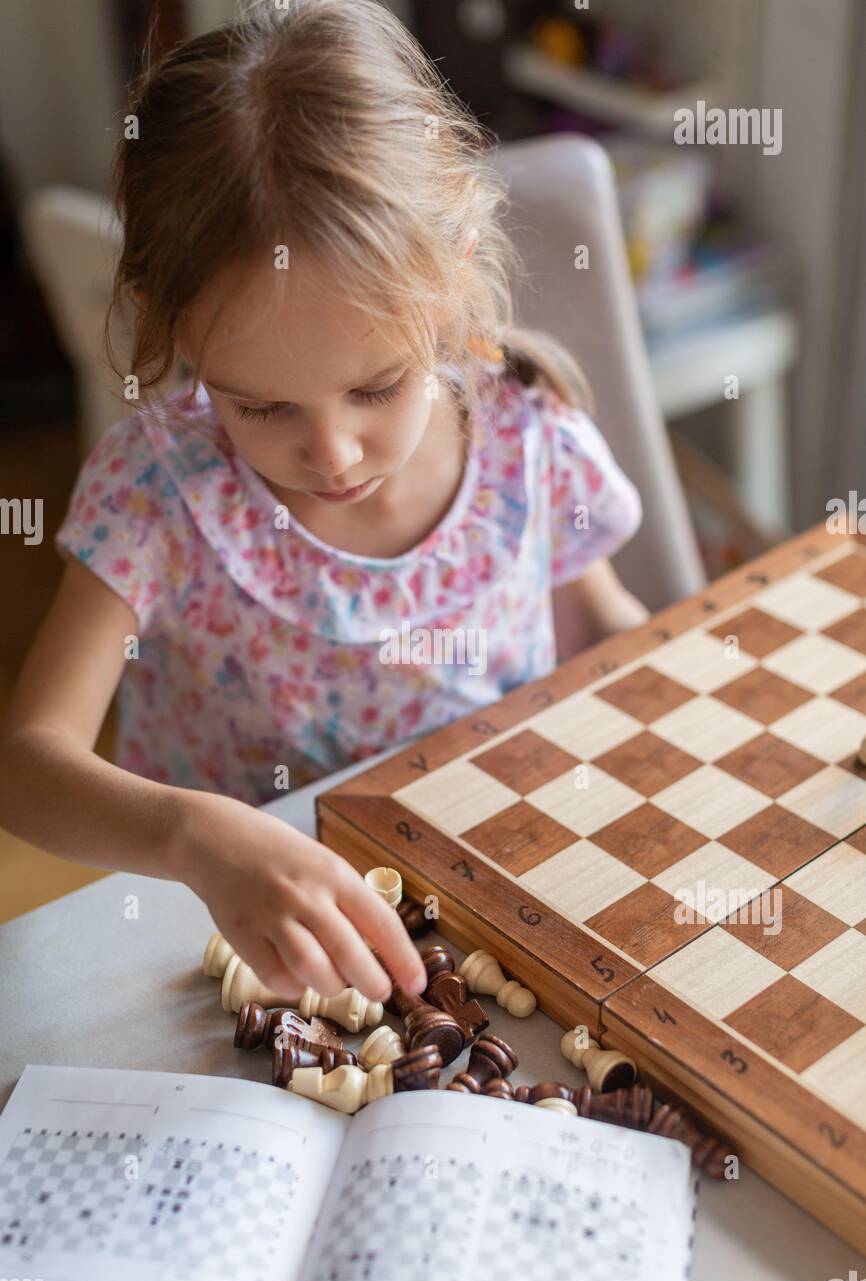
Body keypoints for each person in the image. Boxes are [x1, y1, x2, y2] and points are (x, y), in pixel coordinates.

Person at [0, 0, 646, 1006]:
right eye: (259, 405)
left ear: (455, 269)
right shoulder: (160, 491)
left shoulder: (526, 437)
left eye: (377, 386)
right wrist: (191, 833)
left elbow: (598, 628)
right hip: (237, 949)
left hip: (496, 918)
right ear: (181, 340)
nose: (333, 453)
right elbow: (26, 764)